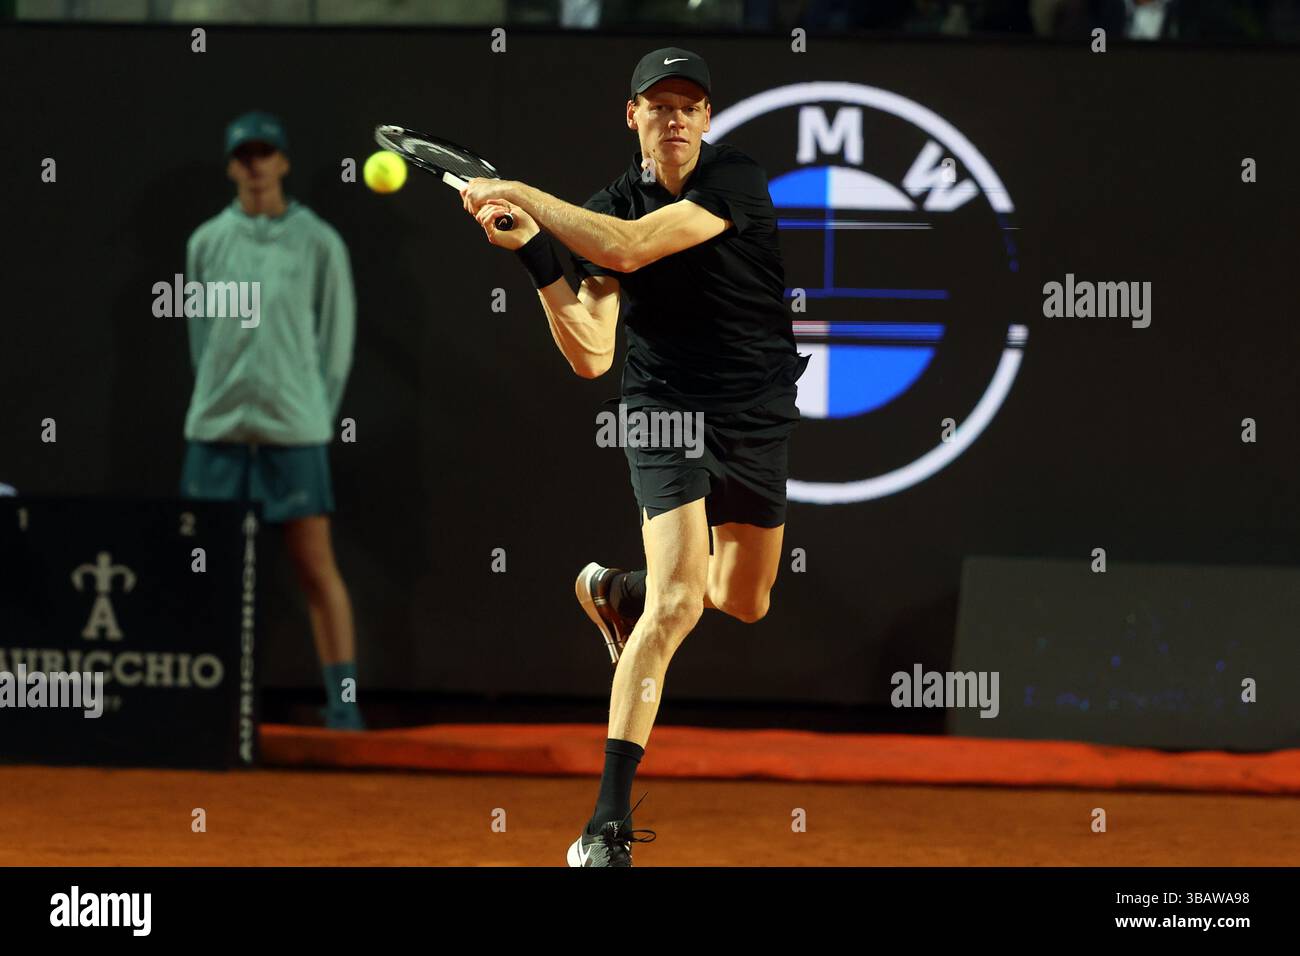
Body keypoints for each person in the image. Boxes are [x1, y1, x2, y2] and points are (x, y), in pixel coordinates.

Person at [461, 47, 808, 865]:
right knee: (682, 603)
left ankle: (621, 591)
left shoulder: (738, 180)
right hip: (662, 409)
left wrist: (528, 203)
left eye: (691, 105)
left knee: (745, 598)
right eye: (660, 105)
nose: (677, 117)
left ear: (709, 119)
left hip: (755, 410)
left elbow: (629, 246)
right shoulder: (602, 207)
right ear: (634, 116)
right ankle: (605, 826)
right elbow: (589, 351)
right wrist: (535, 256)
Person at [181, 111, 363, 730]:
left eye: (265, 154)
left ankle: (344, 707)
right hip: (216, 431)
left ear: (283, 161)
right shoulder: (206, 242)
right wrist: (219, 397)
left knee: (316, 567)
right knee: (205, 570)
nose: (255, 165)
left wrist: (309, 411)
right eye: (244, 156)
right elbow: (200, 340)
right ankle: (206, 703)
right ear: (233, 166)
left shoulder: (319, 242)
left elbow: (335, 345)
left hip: (294, 431)